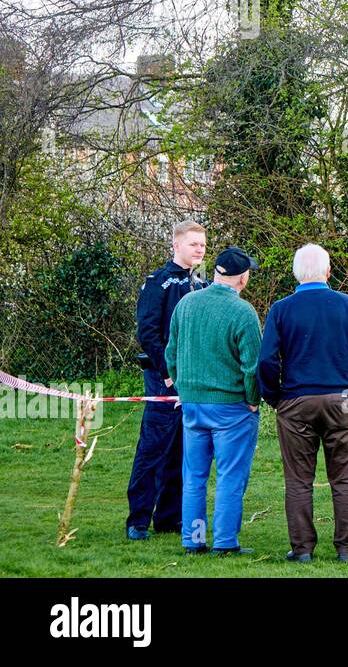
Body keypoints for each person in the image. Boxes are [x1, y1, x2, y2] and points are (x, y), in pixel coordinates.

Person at [258, 244, 348, 563]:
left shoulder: (281, 309)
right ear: (327, 271)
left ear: (296, 274)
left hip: (296, 400)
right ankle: (347, 549)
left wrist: (274, 397)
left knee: (298, 479)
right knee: (345, 477)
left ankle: (303, 548)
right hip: (344, 399)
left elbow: (267, 360)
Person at [166, 246, 263, 556]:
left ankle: (193, 540)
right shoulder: (243, 312)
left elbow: (171, 356)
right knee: (230, 475)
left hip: (193, 405)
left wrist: (184, 388)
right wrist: (253, 400)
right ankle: (224, 541)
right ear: (243, 278)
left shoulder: (186, 304)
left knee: (194, 476)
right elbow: (252, 367)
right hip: (231, 408)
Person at [125, 219, 207, 541]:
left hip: (194, 382)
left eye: (202, 244)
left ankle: (169, 518)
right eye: (193, 244)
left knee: (183, 450)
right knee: (154, 448)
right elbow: (147, 333)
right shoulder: (157, 282)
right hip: (163, 381)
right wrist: (169, 374)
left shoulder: (201, 284)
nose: (199, 249)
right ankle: (138, 520)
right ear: (176, 245)